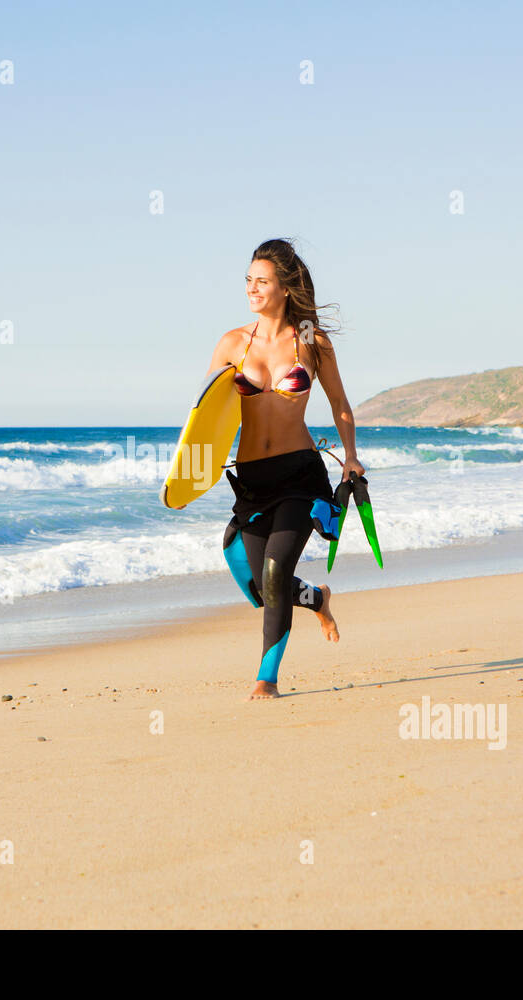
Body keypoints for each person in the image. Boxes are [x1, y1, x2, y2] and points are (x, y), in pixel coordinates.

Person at [204, 238, 366, 700]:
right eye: (249, 281)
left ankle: (266, 679)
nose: (252, 289)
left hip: (299, 474)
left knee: (275, 575)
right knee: (259, 585)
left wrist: (350, 456)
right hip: (253, 478)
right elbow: (208, 415)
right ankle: (316, 598)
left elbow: (339, 404)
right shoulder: (232, 343)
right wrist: (196, 466)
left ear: (284, 288)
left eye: (262, 282)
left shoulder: (312, 341)